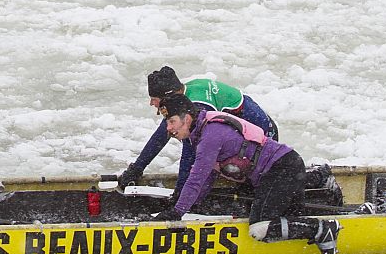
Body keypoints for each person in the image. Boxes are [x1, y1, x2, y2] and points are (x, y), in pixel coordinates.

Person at [158, 96, 340, 254]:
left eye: (172, 121)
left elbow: (196, 179)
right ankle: (319, 185)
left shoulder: (210, 135)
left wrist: (177, 212)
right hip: (279, 171)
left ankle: (322, 229)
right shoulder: (202, 132)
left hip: (282, 169)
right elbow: (206, 179)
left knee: (259, 228)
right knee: (291, 216)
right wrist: (190, 205)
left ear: (187, 118)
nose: (168, 128)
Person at [116, 66, 280, 190]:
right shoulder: (184, 93)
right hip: (253, 130)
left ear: (168, 97)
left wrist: (179, 195)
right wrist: (136, 169)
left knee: (209, 156)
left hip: (263, 140)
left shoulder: (197, 106)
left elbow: (189, 155)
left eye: (154, 98)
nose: (151, 103)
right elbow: (161, 136)